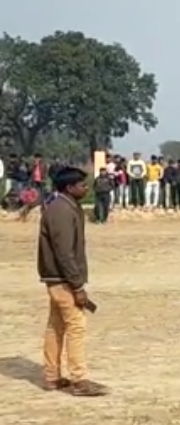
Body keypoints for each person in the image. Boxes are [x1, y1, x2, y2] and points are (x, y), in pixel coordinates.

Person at [37, 167, 108, 396]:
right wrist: (77, 285)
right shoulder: (62, 210)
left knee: (56, 326)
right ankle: (79, 380)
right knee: (76, 325)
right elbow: (64, 252)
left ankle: (52, 376)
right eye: (82, 185)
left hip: (58, 277)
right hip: (62, 279)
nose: (86, 188)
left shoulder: (64, 206)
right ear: (69, 187)